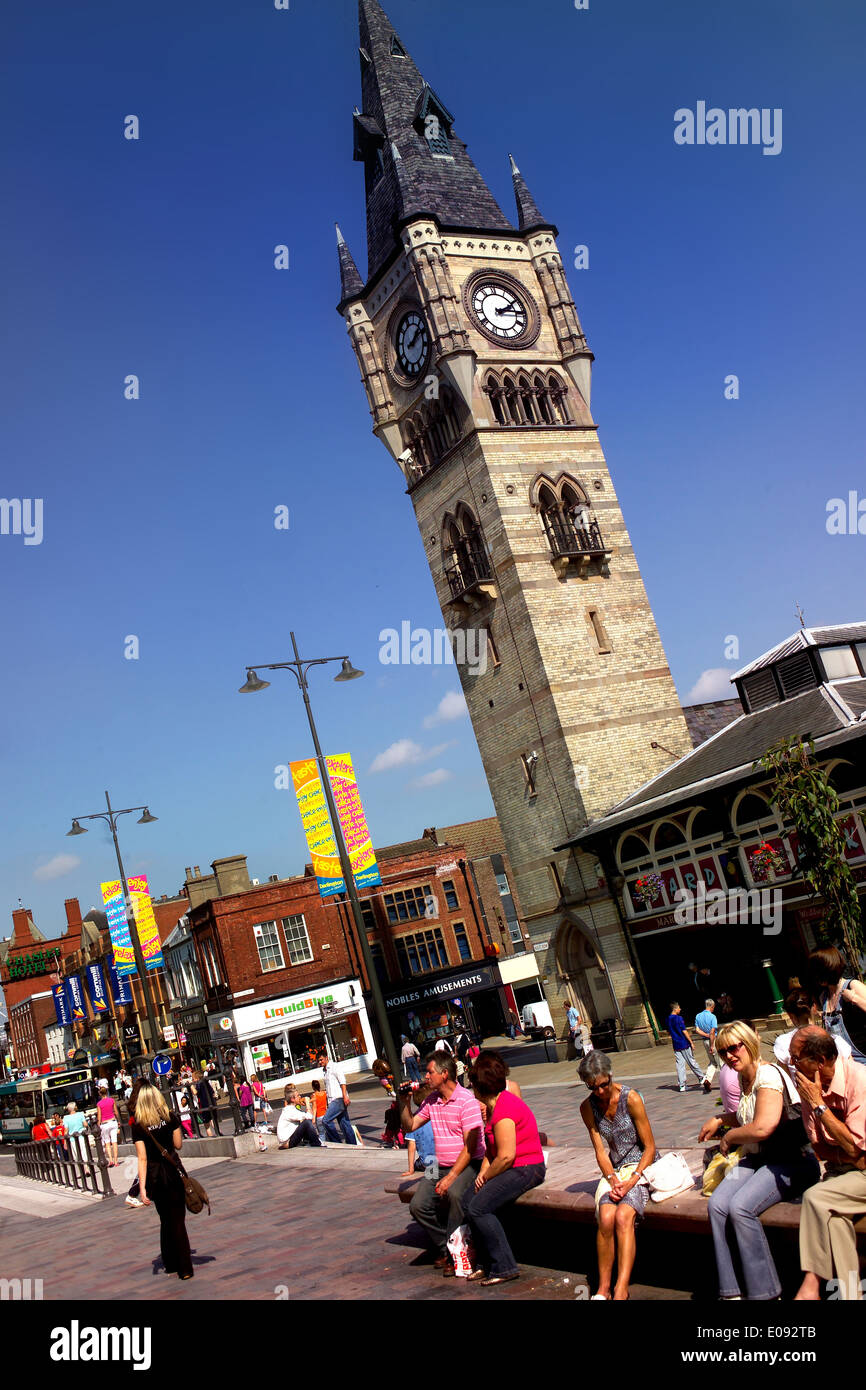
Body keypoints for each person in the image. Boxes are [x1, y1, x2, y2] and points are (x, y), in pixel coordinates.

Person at [698, 1021, 819, 1301]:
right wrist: (719, 1119)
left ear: (748, 1044)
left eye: (734, 1047)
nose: (729, 1055)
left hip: (790, 1160)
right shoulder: (745, 1077)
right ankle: (730, 1291)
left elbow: (763, 1126)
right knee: (717, 1205)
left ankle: (765, 1293)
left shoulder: (767, 1076)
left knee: (741, 1207)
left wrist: (729, 1138)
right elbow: (748, 1118)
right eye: (723, 1051)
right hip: (759, 1159)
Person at [790, 1027, 866, 1301]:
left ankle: (812, 1283)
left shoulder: (859, 1081)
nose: (792, 1066)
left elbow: (855, 1147)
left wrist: (819, 1106)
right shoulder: (811, 1088)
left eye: (796, 1058)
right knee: (835, 1221)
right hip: (843, 1174)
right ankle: (850, 1296)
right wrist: (848, 1155)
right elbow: (821, 1148)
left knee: (814, 1197)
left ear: (820, 1061)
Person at [579, 1049, 658, 1301]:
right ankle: (603, 1287)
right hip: (615, 1170)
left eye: (604, 1084)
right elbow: (600, 1152)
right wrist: (612, 1178)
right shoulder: (588, 1107)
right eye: (593, 1087)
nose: (600, 1092)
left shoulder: (631, 1098)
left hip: (640, 1166)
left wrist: (632, 1179)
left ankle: (621, 1287)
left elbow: (650, 1147)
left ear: (610, 1076)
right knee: (606, 1216)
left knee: (624, 1216)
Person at [463, 1052, 546, 1286]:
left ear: (480, 1088)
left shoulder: (504, 1110)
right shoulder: (493, 1108)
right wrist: (482, 1174)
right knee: (467, 1200)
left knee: (479, 1208)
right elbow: (492, 1150)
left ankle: (504, 1266)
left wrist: (486, 1176)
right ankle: (485, 1263)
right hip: (512, 1167)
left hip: (527, 1167)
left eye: (472, 1085)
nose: (471, 1089)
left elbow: (507, 1156)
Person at [399, 1053, 484, 1273]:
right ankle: (447, 1248)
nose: (426, 1076)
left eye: (430, 1072)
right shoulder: (432, 1100)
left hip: (466, 1163)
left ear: (444, 1074)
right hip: (437, 1163)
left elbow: (470, 1147)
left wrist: (451, 1176)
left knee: (455, 1195)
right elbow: (410, 1126)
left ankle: (458, 1253)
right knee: (418, 1205)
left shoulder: (466, 1101)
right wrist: (403, 1103)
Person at [131, 1081, 193, 1280]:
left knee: (165, 1219)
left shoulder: (139, 1126)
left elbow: (142, 1158)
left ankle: (170, 1263)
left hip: (155, 1176)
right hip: (173, 1172)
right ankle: (185, 1268)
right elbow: (178, 1145)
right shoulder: (170, 1117)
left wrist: (142, 1188)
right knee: (178, 1220)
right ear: (158, 1098)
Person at [808, 947, 866, 1065]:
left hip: (862, 1060)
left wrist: (855, 999)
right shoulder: (824, 996)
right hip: (843, 1063)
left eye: (819, 972)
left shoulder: (853, 986)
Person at [774, 988, 850, 1073]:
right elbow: (852, 1073)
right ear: (814, 1007)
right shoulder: (838, 1041)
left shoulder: (783, 1043)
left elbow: (785, 1078)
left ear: (791, 1016)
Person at [666, 1002, 709, 1092]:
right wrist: (691, 1042)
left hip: (676, 1044)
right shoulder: (679, 1018)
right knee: (691, 1060)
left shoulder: (668, 1019)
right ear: (675, 1009)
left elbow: (669, 1032)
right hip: (684, 1043)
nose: (680, 1009)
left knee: (680, 1064)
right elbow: (684, 1031)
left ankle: (682, 1085)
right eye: (679, 1008)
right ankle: (701, 1077)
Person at [317, 1051, 357, 1144]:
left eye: (321, 1060)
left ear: (326, 1058)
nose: (320, 1062)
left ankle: (336, 1142)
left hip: (338, 1099)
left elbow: (342, 1081)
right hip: (332, 1100)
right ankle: (352, 1144)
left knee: (326, 1120)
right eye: (318, 1061)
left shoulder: (335, 1067)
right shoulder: (325, 1071)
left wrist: (345, 1096)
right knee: (344, 1123)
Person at [400, 1084, 436, 1176]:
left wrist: (410, 1169)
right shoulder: (437, 1114)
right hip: (443, 1158)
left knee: (419, 1163)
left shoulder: (414, 1120)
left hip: (427, 1162)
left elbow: (412, 1146)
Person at [96, 1080, 120, 1166]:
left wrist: (98, 1125)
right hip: (113, 1122)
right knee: (114, 1142)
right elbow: (116, 1112)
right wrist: (119, 1121)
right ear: (107, 1092)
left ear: (100, 1094)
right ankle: (116, 1161)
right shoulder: (111, 1100)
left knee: (107, 1143)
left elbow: (99, 1116)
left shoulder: (99, 1104)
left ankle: (110, 1160)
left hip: (104, 1124)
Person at [694, 999, 719, 1070]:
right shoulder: (712, 1016)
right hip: (713, 1041)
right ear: (712, 1006)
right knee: (719, 1061)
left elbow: (697, 1030)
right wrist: (712, 1045)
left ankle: (708, 1078)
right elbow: (712, 1032)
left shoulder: (698, 1016)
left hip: (705, 1041)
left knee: (712, 1062)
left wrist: (706, 1035)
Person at [193, 1069, 217, 1138]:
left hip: (204, 1105)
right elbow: (212, 1092)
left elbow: (195, 1092)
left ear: (197, 1079)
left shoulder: (199, 1084)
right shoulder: (206, 1082)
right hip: (211, 1103)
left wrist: (191, 1087)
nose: (193, 1080)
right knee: (212, 1120)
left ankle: (210, 1137)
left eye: (193, 1079)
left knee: (206, 1124)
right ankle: (218, 1132)